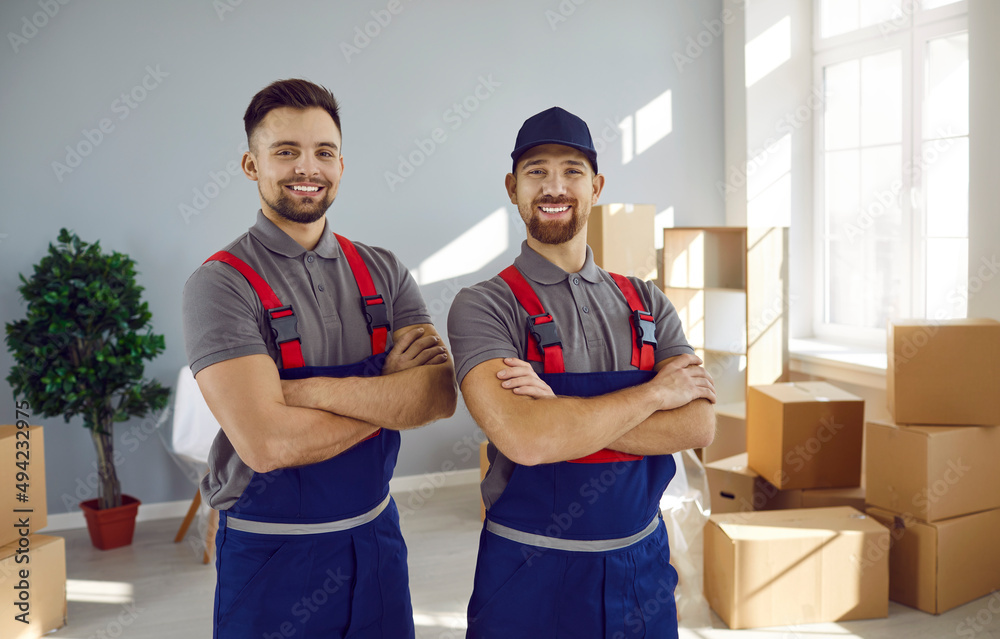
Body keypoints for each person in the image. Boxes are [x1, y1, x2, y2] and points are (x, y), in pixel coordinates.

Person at [182, 78, 457, 638]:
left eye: (323, 152)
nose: (307, 168)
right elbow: (267, 444)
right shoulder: (220, 285)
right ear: (251, 165)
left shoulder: (385, 271)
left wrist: (299, 393)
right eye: (285, 152)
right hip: (271, 555)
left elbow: (438, 395)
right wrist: (388, 388)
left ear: (340, 164)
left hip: (377, 540)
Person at [447, 106, 717, 638]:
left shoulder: (646, 301)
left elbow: (697, 427)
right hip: (529, 574)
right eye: (537, 171)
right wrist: (656, 393)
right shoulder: (485, 306)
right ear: (512, 187)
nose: (555, 186)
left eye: (572, 171)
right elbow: (525, 440)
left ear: (595, 186)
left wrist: (559, 417)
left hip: (640, 571)